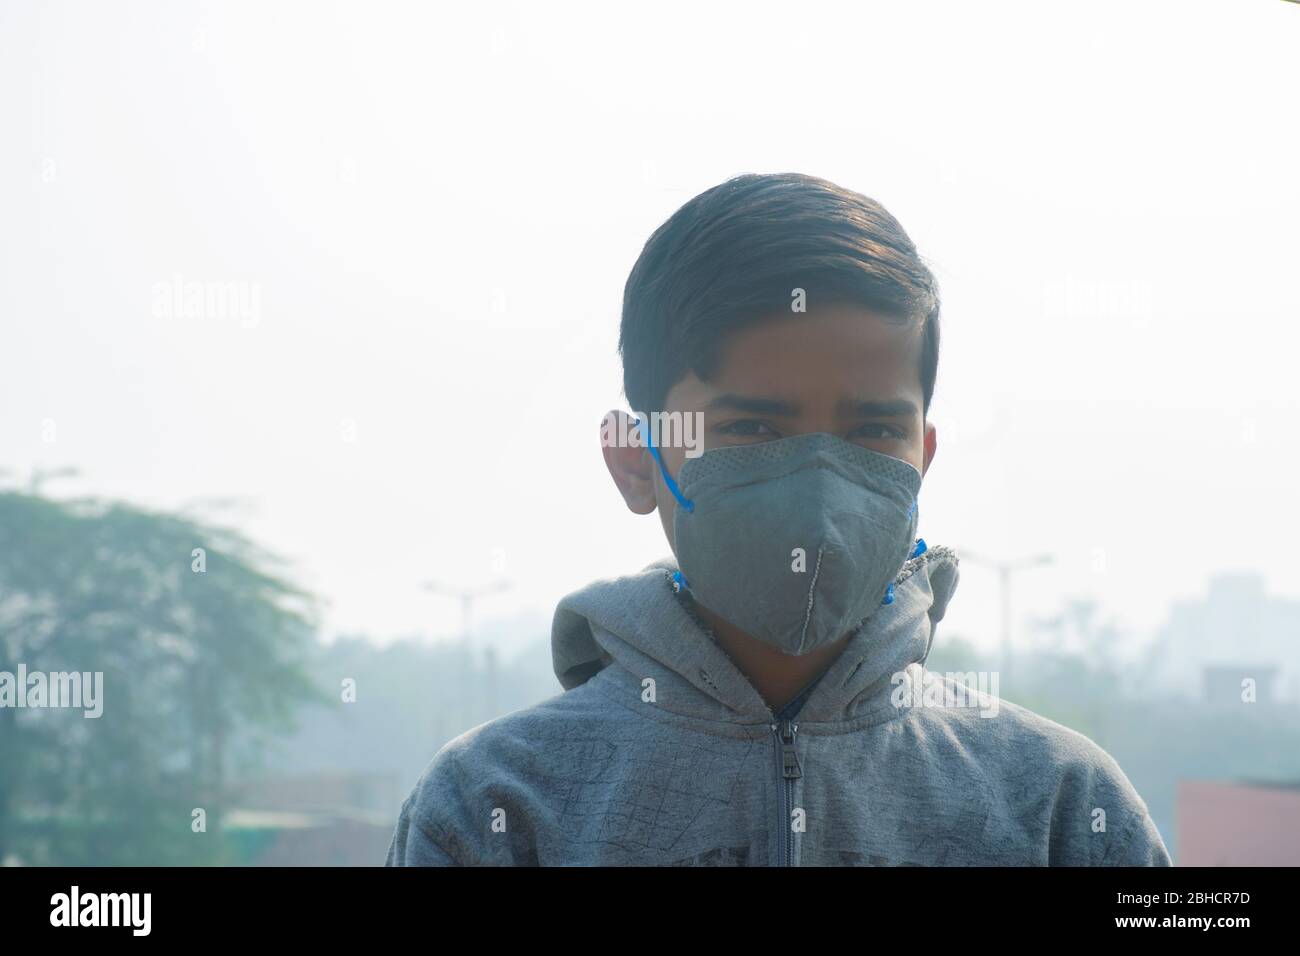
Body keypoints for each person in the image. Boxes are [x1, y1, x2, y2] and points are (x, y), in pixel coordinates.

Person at [386, 172, 1171, 866]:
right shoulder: (501, 807)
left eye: (871, 431)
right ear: (635, 459)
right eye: (753, 430)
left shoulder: (1058, 806)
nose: (820, 488)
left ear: (922, 457)